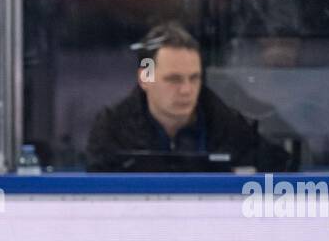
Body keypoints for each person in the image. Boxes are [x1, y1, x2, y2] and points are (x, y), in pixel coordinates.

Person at [86, 21, 291, 172]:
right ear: (145, 77)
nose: (186, 90)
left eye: (194, 78)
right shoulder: (112, 128)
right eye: (174, 79)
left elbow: (284, 169)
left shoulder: (228, 127)